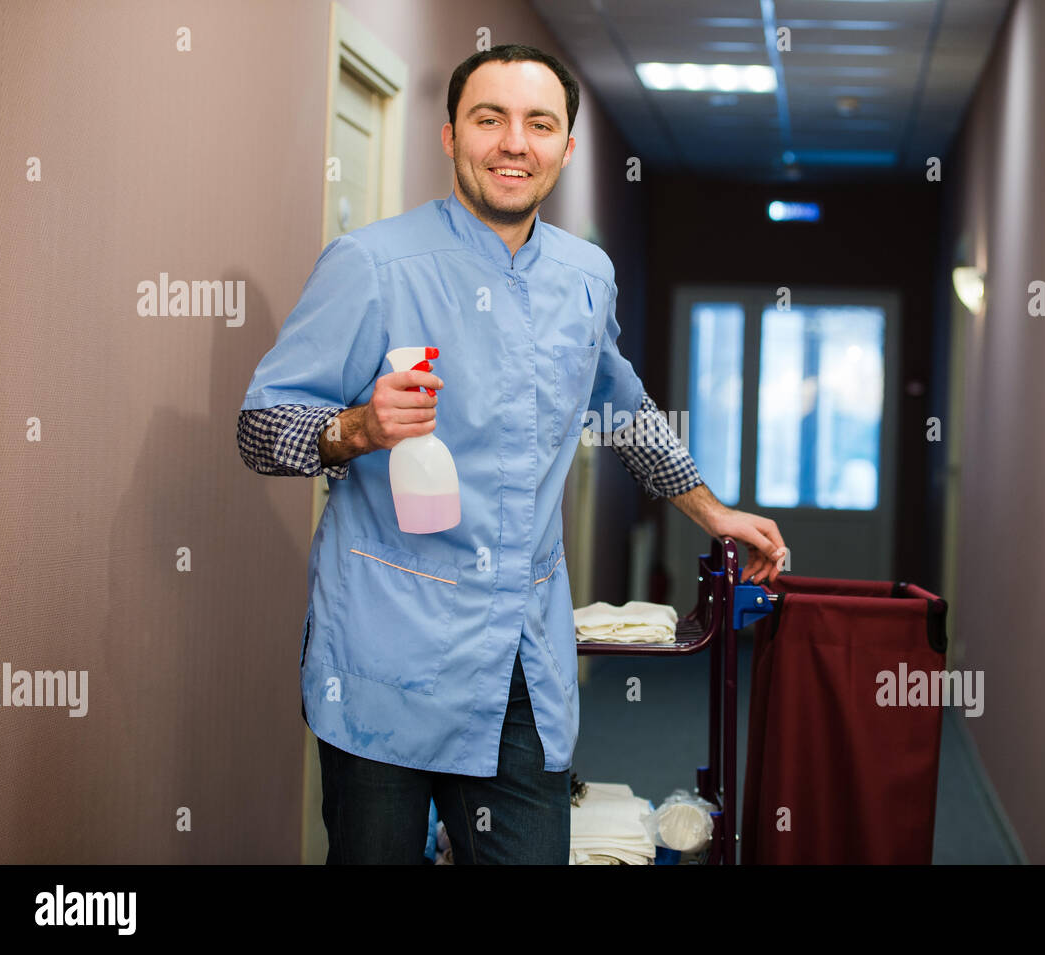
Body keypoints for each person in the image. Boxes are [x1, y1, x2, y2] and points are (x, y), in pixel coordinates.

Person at [236, 43, 786, 865]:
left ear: (565, 148)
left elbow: (625, 413)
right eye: (490, 120)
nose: (513, 143)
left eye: (539, 124)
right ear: (451, 133)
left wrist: (714, 511)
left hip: (519, 664)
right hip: (388, 661)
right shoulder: (372, 266)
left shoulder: (586, 276)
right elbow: (258, 428)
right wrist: (354, 428)